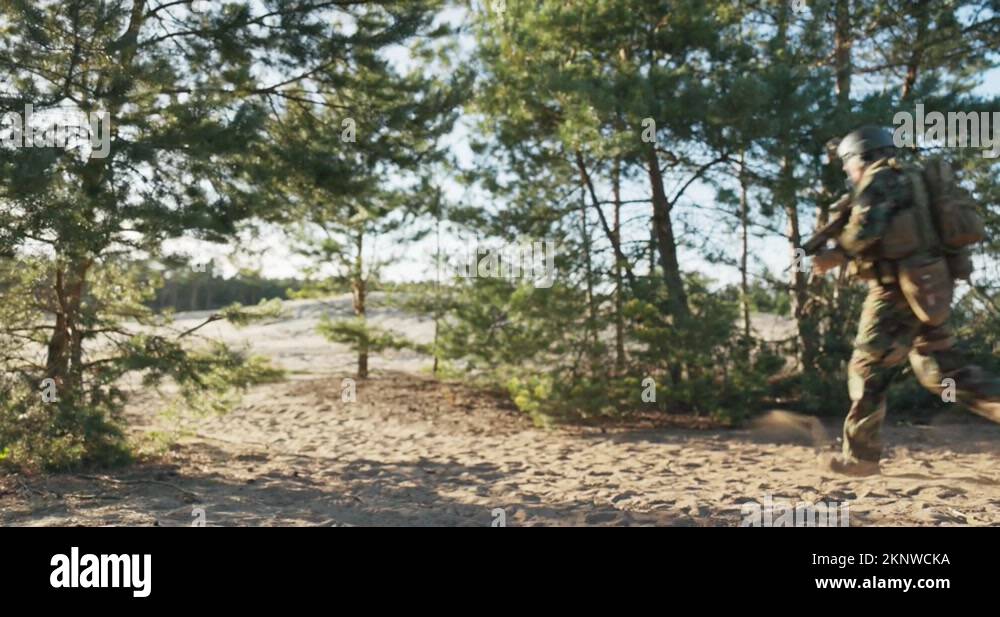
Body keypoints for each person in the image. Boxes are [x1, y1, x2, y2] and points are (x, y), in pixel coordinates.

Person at [811, 125, 1000, 476]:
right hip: (929, 285)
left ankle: (861, 458)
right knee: (942, 374)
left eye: (847, 164)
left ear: (860, 157)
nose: (848, 173)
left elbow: (867, 231)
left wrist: (836, 253)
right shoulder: (910, 176)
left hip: (897, 291)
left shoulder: (880, 178)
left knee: (869, 367)